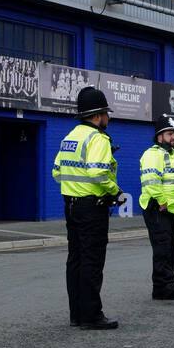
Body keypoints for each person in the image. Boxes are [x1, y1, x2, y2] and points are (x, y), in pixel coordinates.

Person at [51, 86, 124, 330]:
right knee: (92, 260)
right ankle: (91, 315)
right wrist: (114, 191)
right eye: (105, 113)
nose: (108, 117)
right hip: (92, 207)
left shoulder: (70, 137)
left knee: (76, 259)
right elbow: (96, 172)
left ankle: (77, 314)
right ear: (97, 116)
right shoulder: (98, 138)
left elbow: (56, 172)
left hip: (70, 205)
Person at [139, 114, 174, 301]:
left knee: (168, 247)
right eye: (169, 133)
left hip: (169, 210)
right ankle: (163, 285)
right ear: (159, 136)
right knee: (162, 247)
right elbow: (151, 181)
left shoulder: (172, 154)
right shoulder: (153, 154)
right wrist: (161, 200)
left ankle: (165, 286)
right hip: (157, 208)